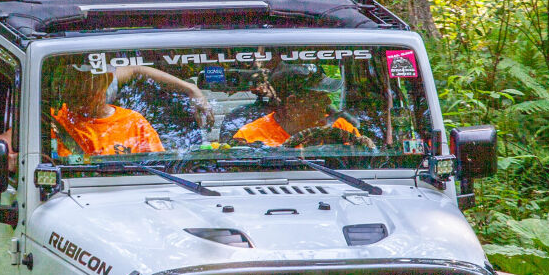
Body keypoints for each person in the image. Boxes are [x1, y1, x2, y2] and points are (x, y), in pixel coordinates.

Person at [46, 63, 213, 157]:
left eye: (87, 85)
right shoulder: (53, 120)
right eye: (71, 84)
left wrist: (191, 90)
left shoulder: (133, 122)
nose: (77, 91)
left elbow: (155, 166)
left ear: (106, 83)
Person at [234, 63, 376, 150]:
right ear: (293, 103)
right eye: (319, 97)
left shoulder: (341, 127)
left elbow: (363, 160)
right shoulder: (249, 137)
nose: (327, 102)